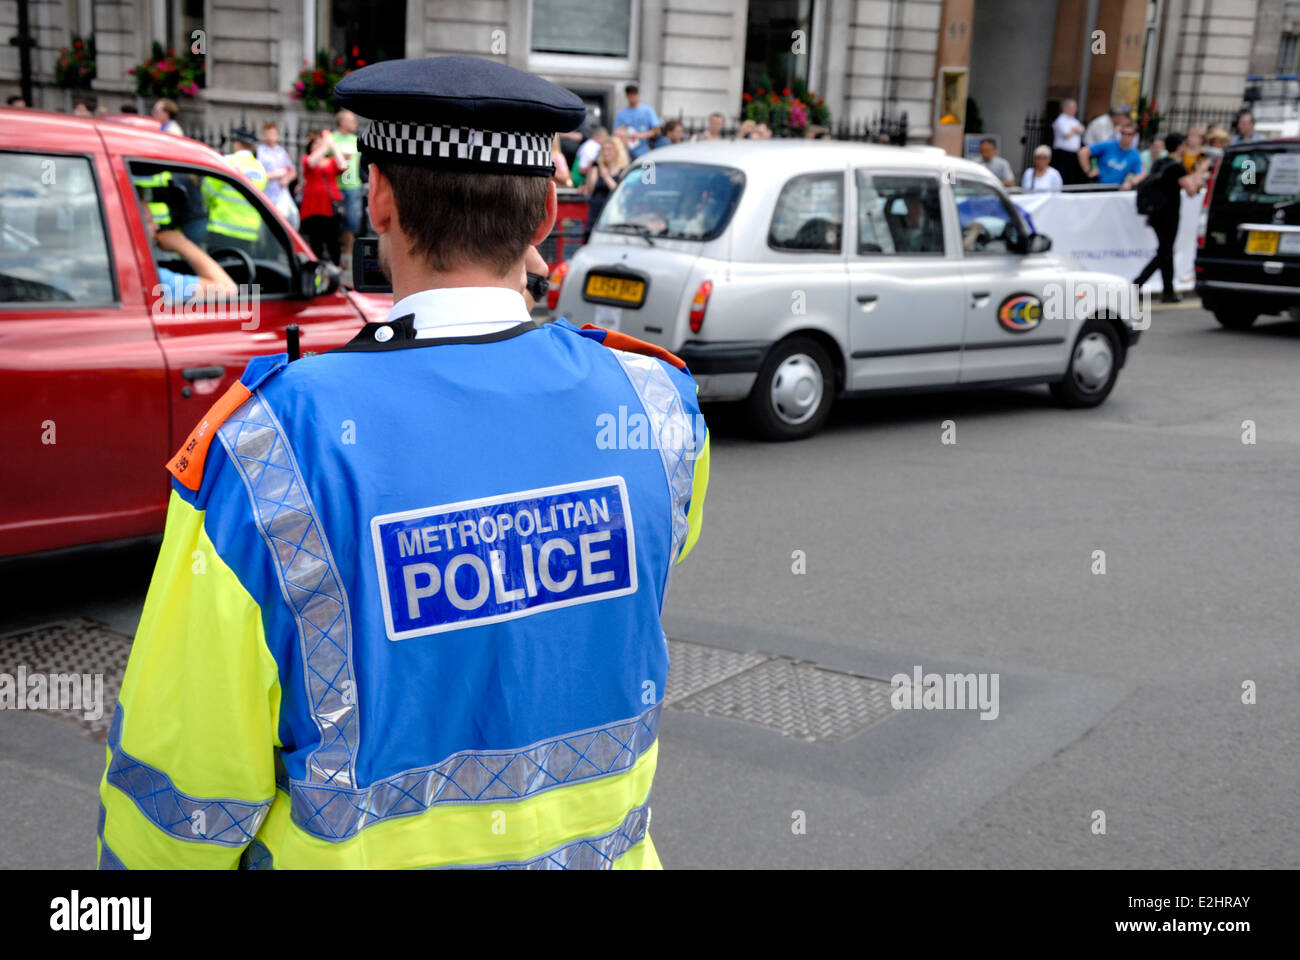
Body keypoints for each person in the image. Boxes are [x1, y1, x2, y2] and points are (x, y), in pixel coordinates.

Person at [97, 54, 707, 871]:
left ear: (377, 198)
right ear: (542, 224)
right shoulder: (659, 407)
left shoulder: (269, 446)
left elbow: (184, 794)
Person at [1133, 132, 1209, 303]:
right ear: (1180, 146)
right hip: (1168, 215)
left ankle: (1168, 291)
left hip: (1155, 213)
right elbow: (1191, 191)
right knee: (1165, 251)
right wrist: (1199, 174)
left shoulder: (1158, 163)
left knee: (1166, 250)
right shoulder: (1176, 167)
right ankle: (1137, 283)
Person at [140, 202, 237, 304]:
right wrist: (182, 244)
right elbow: (227, 290)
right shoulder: (154, 278)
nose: (157, 226)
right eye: (149, 221)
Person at [203, 126, 268, 254]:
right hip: (248, 231)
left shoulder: (227, 161)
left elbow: (208, 188)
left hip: (222, 227)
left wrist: (212, 204)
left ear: (237, 144)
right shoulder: (260, 168)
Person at [298, 128, 348, 264]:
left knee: (333, 238)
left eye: (320, 144)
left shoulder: (331, 161)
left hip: (330, 206)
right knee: (316, 238)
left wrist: (333, 146)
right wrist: (327, 143)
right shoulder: (307, 159)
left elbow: (343, 165)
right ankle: (317, 266)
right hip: (313, 206)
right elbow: (311, 162)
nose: (319, 146)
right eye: (316, 144)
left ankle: (336, 265)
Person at [332, 109, 362, 277]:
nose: (355, 124)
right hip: (335, 186)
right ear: (342, 122)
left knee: (351, 221)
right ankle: (334, 256)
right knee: (333, 222)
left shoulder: (355, 140)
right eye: (352, 121)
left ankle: (347, 255)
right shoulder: (332, 139)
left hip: (352, 186)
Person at [583, 134, 629, 240]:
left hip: (613, 214)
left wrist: (606, 177)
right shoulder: (598, 169)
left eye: (609, 149)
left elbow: (618, 192)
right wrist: (591, 173)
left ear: (617, 151)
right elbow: (590, 190)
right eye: (603, 150)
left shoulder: (623, 171)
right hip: (595, 212)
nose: (605, 153)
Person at [257, 121, 299, 229]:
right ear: (263, 135)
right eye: (267, 134)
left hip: (280, 195)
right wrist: (274, 175)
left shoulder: (282, 152)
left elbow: (293, 171)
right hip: (265, 194)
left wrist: (287, 178)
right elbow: (257, 174)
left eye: (273, 133)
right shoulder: (259, 152)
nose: (270, 136)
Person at [1078, 123, 1142, 189]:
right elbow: (1083, 151)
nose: (1125, 136)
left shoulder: (1135, 154)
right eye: (1123, 133)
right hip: (1097, 185)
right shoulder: (1109, 145)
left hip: (1116, 188)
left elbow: (1139, 174)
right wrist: (1088, 170)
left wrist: (1130, 182)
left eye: (1129, 134)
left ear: (1134, 136)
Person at [615, 82, 660, 160]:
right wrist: (625, 135)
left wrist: (640, 135)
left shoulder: (647, 111)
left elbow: (656, 131)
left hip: (645, 152)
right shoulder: (622, 113)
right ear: (627, 96)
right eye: (630, 96)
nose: (632, 98)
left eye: (634, 95)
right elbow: (616, 132)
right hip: (627, 152)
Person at [1051, 99, 1086, 184]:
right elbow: (1066, 134)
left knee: (1071, 175)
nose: (1075, 109)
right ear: (1065, 108)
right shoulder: (1061, 120)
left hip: (1073, 153)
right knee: (1062, 175)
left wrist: (1074, 129)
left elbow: (1082, 130)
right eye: (1073, 107)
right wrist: (1075, 129)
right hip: (1062, 153)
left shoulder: (1074, 120)